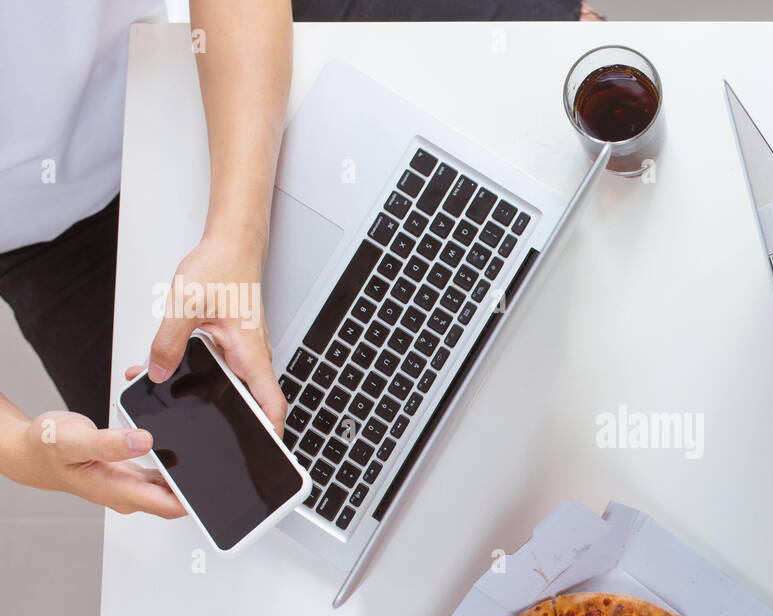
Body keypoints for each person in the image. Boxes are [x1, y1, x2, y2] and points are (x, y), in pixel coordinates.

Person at [0, 0, 598, 519]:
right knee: (241, 498)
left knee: (573, 66)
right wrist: (26, 451)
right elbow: (29, 448)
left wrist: (238, 232)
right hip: (46, 241)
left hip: (200, 41)